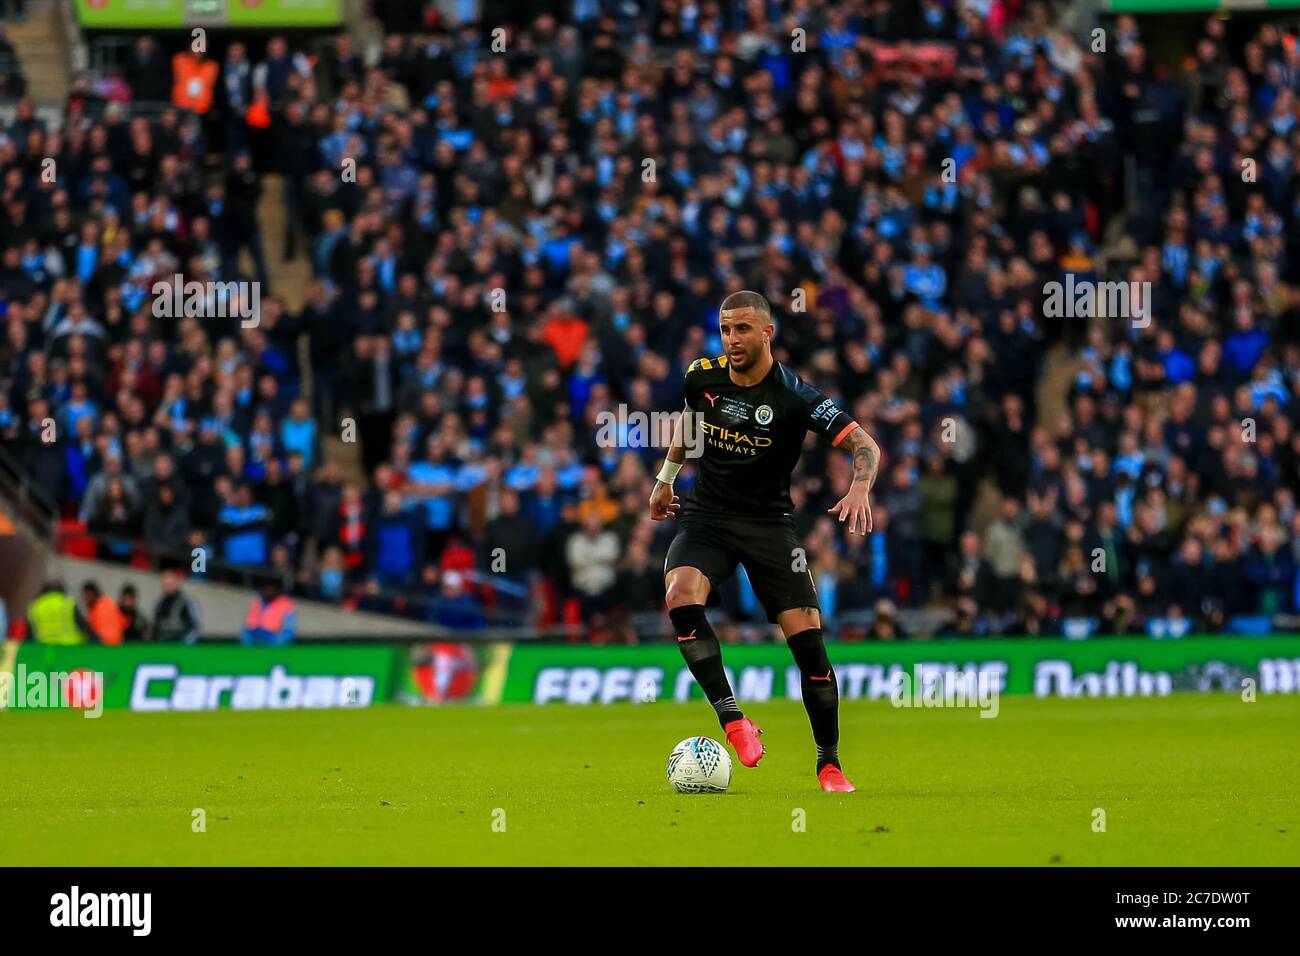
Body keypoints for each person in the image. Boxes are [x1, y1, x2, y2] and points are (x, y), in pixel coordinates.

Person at [649, 291, 881, 793]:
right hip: (708, 517)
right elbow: (690, 425)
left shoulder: (797, 396)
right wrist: (666, 478)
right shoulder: (701, 376)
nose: (732, 340)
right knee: (679, 596)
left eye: (742, 330)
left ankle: (829, 763)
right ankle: (733, 719)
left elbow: (865, 444)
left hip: (770, 525)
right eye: (726, 329)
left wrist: (860, 485)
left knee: (810, 649)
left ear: (767, 332)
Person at [28, 579, 99, 644]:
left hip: (45, 651)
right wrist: (98, 643)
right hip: (70, 649)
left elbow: (29, 635)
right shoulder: (67, 603)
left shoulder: (35, 607)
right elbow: (84, 626)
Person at [241, 580, 297, 645]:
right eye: (266, 588)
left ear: (277, 590)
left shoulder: (287, 605)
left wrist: (275, 641)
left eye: (271, 588)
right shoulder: (257, 604)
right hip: (255, 637)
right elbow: (248, 625)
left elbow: (288, 631)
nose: (269, 591)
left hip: (273, 639)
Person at [152, 571, 202, 643]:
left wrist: (184, 644)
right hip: (162, 646)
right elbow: (155, 626)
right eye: (165, 585)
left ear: (176, 584)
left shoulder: (187, 603)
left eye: (170, 584)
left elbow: (195, 628)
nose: (168, 587)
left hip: (180, 647)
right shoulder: (159, 604)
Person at [82, 581, 126, 646]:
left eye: (87, 595)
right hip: (119, 644)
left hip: (104, 646)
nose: (85, 599)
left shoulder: (94, 611)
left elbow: (92, 631)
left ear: (93, 594)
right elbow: (123, 623)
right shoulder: (110, 602)